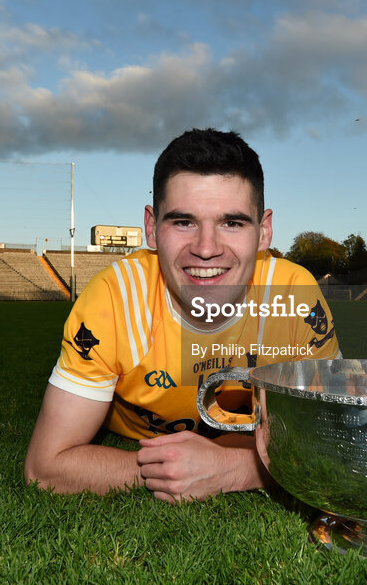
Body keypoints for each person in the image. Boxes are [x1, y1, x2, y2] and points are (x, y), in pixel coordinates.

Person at [24, 128, 341, 503]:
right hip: (142, 438)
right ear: (151, 229)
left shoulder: (294, 297)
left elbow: (335, 440)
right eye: (183, 222)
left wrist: (235, 468)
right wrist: (173, 470)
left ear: (264, 231)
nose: (206, 249)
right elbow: (45, 468)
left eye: (232, 223)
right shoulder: (114, 298)